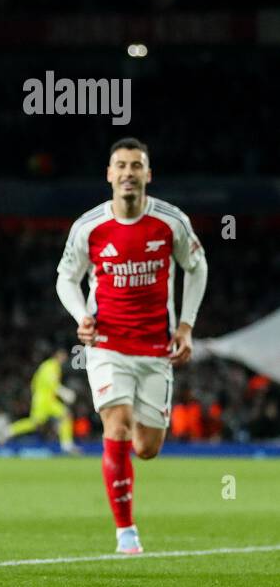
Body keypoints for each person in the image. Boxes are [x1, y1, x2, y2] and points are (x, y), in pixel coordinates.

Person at [56, 137, 207, 554]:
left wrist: (187, 326)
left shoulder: (170, 222)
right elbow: (66, 277)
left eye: (135, 166)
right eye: (120, 166)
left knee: (146, 448)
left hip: (157, 349)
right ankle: (126, 532)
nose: (127, 173)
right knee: (116, 424)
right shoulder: (89, 227)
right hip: (106, 345)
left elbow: (197, 266)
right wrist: (80, 317)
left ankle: (128, 506)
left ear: (147, 175)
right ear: (109, 175)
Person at [5, 349, 79, 453]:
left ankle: (67, 444)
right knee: (36, 423)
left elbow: (35, 383)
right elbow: (51, 382)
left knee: (66, 415)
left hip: (48, 399)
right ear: (56, 355)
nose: (64, 359)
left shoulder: (52, 366)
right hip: (43, 400)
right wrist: (63, 392)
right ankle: (10, 430)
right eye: (62, 356)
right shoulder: (50, 366)